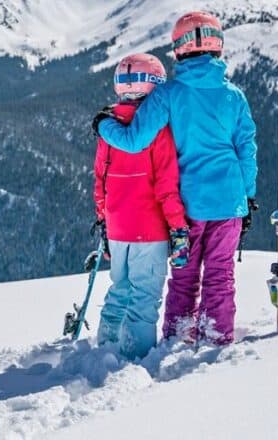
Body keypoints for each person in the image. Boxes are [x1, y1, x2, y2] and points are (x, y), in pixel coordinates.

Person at [96, 11, 258, 345]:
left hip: (189, 204)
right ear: (218, 47)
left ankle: (177, 336)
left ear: (178, 49)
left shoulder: (168, 94)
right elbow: (246, 150)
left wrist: (103, 124)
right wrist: (249, 197)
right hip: (230, 202)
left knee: (185, 278)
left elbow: (136, 140)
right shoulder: (234, 96)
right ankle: (217, 335)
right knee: (220, 275)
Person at [90, 53, 188, 360]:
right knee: (144, 297)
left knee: (120, 288)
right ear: (155, 86)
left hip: (118, 228)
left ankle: (105, 348)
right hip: (150, 229)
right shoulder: (158, 130)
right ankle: (135, 356)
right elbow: (167, 187)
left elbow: (100, 180)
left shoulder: (108, 128)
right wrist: (178, 228)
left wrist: (104, 221)